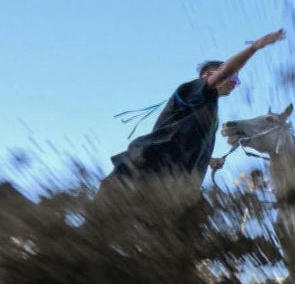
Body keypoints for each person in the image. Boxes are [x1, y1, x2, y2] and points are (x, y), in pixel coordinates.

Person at [101, 29, 285, 192]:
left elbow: (183, 146)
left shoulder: (207, 111)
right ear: (208, 76)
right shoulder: (189, 90)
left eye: (237, 81)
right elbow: (226, 71)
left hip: (173, 185)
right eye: (232, 77)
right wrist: (254, 48)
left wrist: (209, 160)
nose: (234, 83)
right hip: (142, 172)